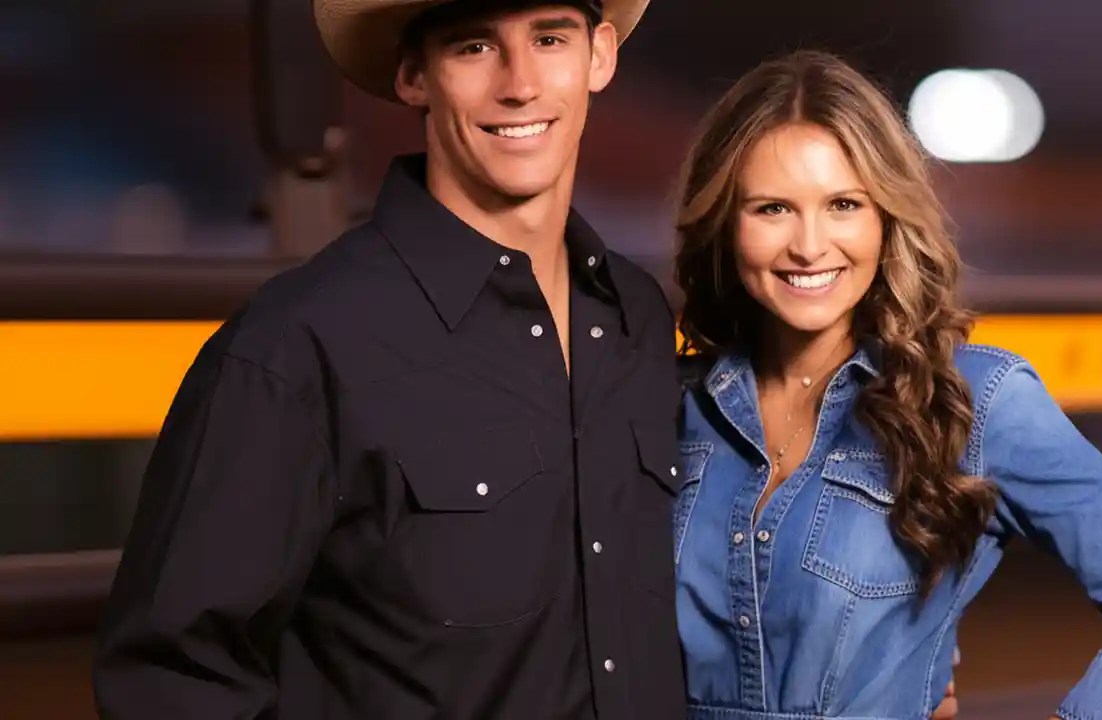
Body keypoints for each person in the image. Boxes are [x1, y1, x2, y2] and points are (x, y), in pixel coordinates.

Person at [92, 1, 691, 718]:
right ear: (413, 75)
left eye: (549, 39)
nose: (521, 83)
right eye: (474, 46)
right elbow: (171, 681)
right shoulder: (298, 348)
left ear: (599, 56)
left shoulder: (638, 318)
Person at [670, 49, 1102, 720]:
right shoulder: (673, 403)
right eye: (772, 209)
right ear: (726, 223)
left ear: (886, 217)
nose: (809, 244)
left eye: (844, 204)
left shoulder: (976, 400)